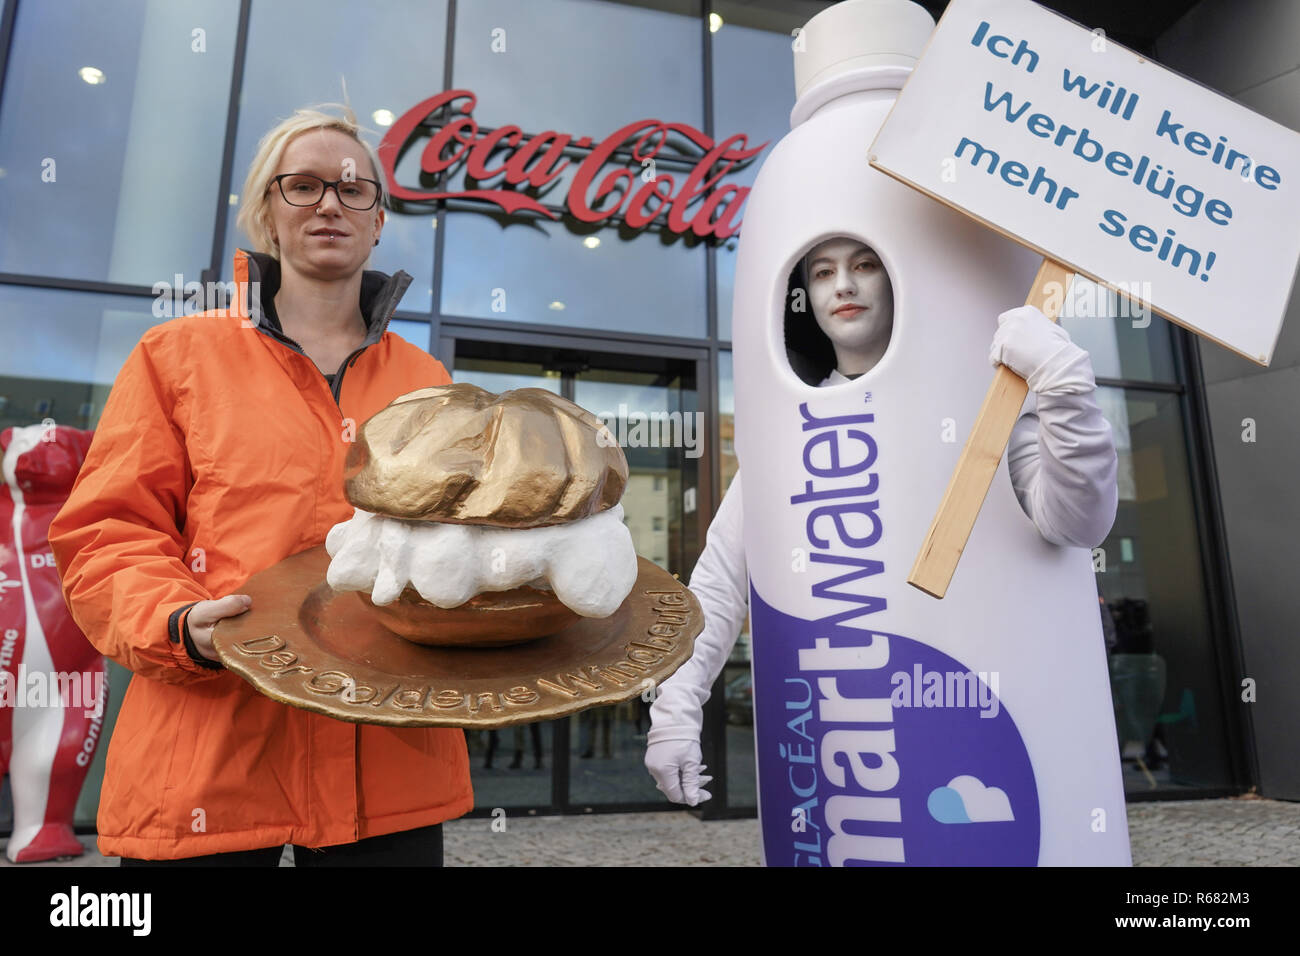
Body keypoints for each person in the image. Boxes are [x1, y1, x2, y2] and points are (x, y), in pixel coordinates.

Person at [48, 105, 473, 865]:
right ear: (266, 215)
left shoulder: (427, 381)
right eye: (302, 186)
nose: (330, 203)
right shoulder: (176, 355)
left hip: (389, 755)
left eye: (353, 189)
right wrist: (178, 623)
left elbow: (456, 542)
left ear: (378, 220)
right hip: (207, 751)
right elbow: (108, 533)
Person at [644, 235, 1119, 805]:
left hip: (976, 726)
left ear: (895, 280)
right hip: (844, 755)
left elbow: (1076, 523)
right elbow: (720, 583)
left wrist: (1065, 387)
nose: (843, 285)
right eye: (823, 273)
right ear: (805, 297)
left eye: (864, 265)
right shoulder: (787, 425)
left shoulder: (979, 401)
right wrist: (675, 711)